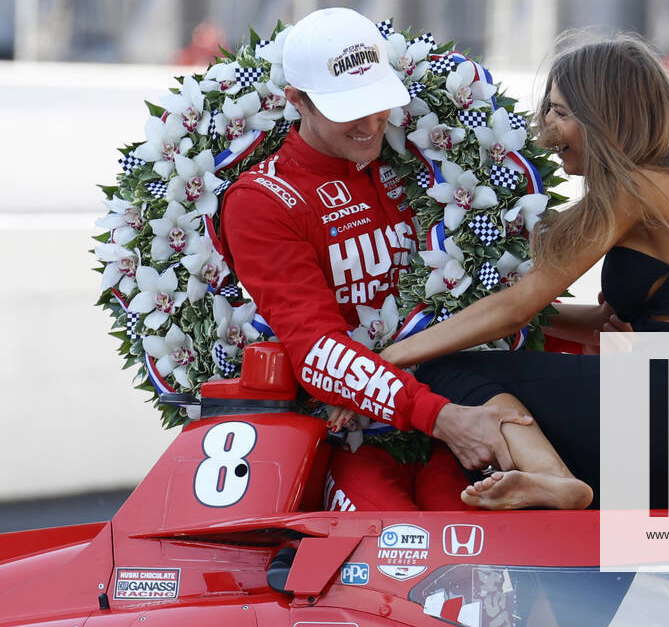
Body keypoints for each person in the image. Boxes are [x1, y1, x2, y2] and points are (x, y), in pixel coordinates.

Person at [219, 8, 591, 511]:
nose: (370, 123)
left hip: (463, 408)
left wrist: (585, 325)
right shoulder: (262, 200)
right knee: (395, 546)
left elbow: (485, 292)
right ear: (297, 100)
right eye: (348, 108)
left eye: (378, 102)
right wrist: (440, 417)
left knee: (509, 546)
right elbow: (316, 348)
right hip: (357, 438)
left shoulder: (426, 159)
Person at [374, 34, 669, 509]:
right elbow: (591, 321)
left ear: (605, 116)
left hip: (666, 410)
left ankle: (550, 477)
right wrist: (457, 316)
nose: (547, 129)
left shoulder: (637, 187)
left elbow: (517, 309)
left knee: (445, 369)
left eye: (560, 113)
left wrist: (386, 359)